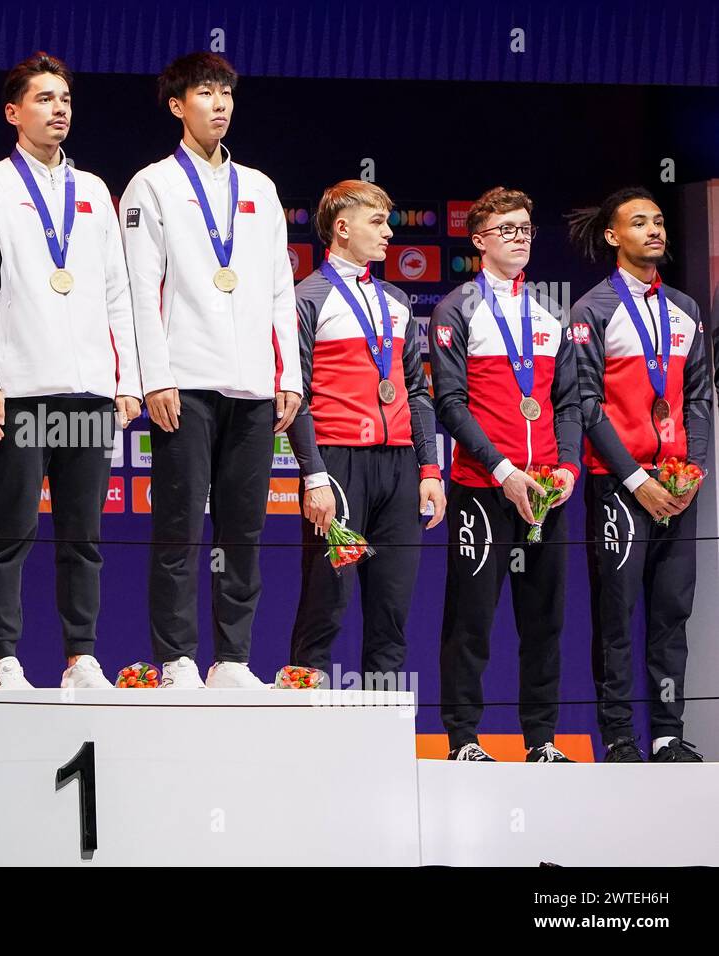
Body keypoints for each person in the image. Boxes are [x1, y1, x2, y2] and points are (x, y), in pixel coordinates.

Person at [0, 52, 142, 689]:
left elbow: (117, 291)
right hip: (23, 392)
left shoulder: (91, 191)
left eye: (64, 98)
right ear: (14, 112)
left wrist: (125, 379)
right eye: (43, 98)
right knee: (12, 530)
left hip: (87, 393)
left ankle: (81, 656)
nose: (58, 108)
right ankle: (3, 655)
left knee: (83, 535)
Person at [119, 52, 302, 688]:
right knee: (178, 526)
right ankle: (175, 659)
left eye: (226, 91)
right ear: (177, 105)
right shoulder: (151, 184)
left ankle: (231, 659)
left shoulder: (259, 187)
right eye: (205, 92)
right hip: (186, 382)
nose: (219, 102)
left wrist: (289, 376)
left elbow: (281, 287)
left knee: (242, 529)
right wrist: (156, 375)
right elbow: (142, 288)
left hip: (251, 381)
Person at [431, 187, 580, 762]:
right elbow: (449, 402)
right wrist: (501, 470)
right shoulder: (456, 309)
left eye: (525, 229)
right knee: (471, 622)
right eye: (506, 229)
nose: (519, 238)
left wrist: (566, 468)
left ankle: (541, 741)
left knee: (543, 623)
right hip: (482, 489)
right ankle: (464, 740)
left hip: (545, 491)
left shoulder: (550, 314)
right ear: (478, 241)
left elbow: (568, 404)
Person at [568, 187, 711, 762]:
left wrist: (690, 470)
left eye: (658, 222)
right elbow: (585, 404)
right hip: (620, 487)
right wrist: (635, 480)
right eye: (638, 222)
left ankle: (667, 733)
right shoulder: (591, 311)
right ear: (612, 236)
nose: (655, 230)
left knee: (672, 612)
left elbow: (698, 398)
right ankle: (622, 737)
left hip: (676, 487)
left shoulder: (686, 309)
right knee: (618, 617)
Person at [288, 181, 445, 691]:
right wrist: (314, 474)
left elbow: (417, 392)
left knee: (392, 608)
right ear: (342, 228)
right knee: (325, 601)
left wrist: (429, 469)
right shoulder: (307, 297)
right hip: (338, 466)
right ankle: (303, 730)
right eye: (376, 221)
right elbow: (296, 396)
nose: (389, 231)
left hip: (399, 468)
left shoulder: (397, 302)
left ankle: (382, 733)